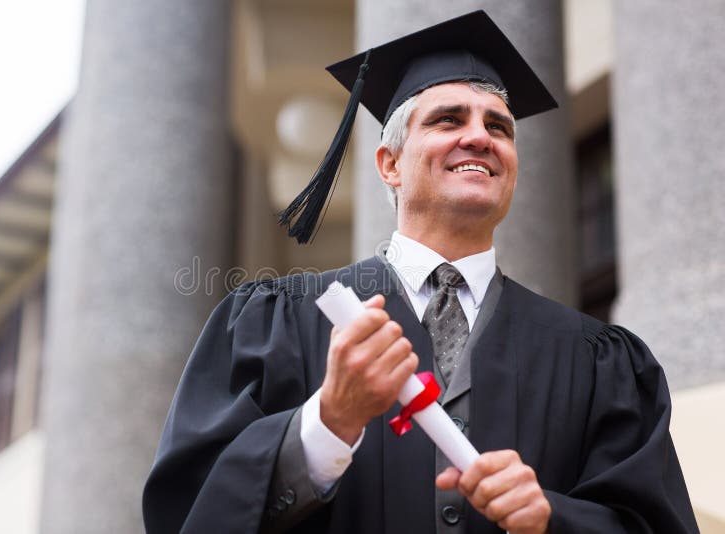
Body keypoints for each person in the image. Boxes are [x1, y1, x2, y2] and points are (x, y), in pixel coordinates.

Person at [143, 11, 698, 534]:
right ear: (390, 165)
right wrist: (326, 425)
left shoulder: (597, 359)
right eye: (448, 119)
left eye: (499, 127)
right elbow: (191, 510)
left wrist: (553, 519)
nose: (479, 137)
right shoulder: (277, 324)